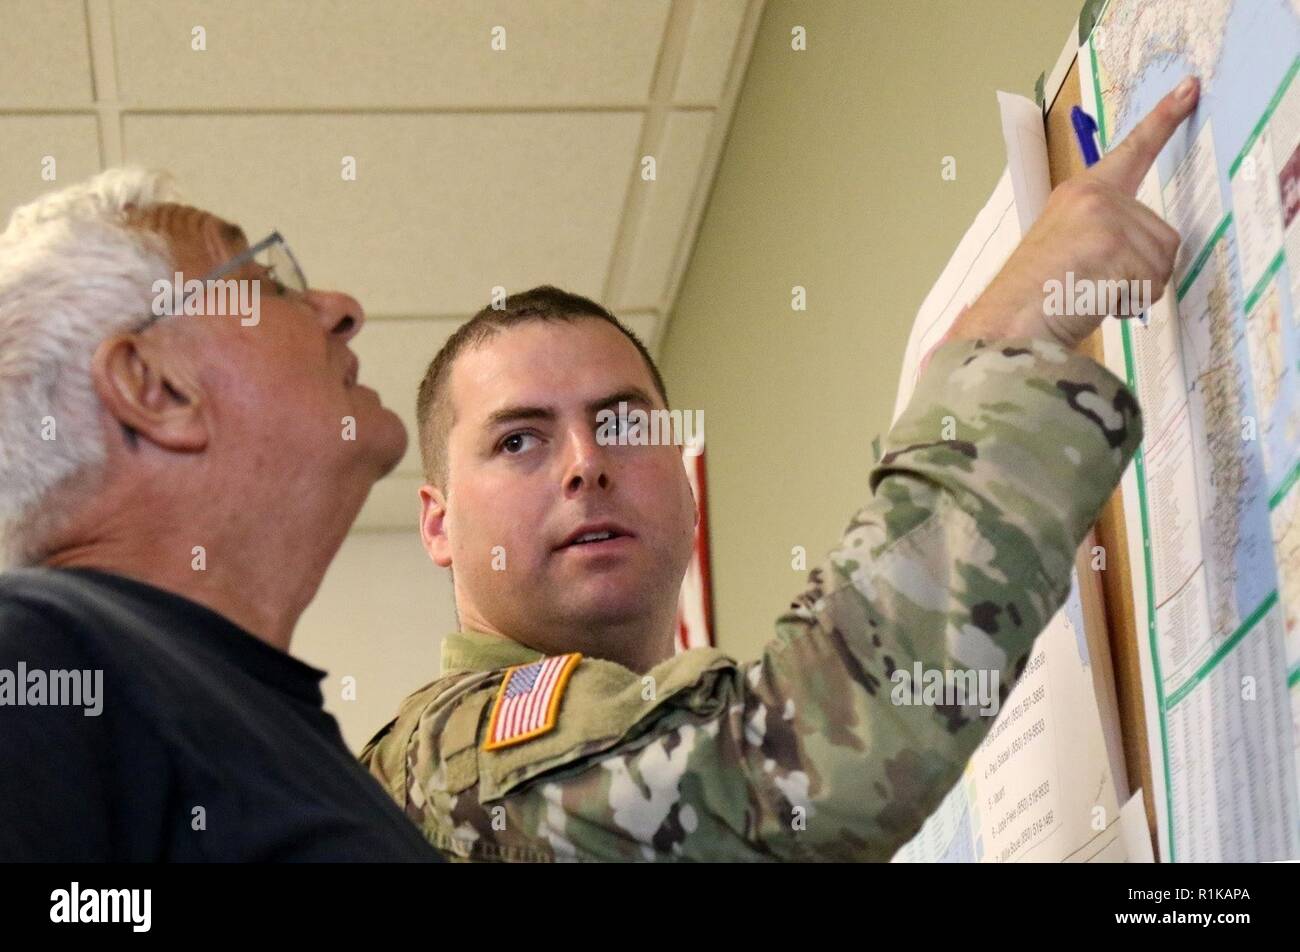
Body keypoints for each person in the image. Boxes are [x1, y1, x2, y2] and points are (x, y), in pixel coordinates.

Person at [361, 79, 1200, 861]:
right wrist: (997, 346)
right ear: (438, 523)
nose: (586, 465)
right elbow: (794, 772)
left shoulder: (660, 728)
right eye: (519, 441)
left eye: (621, 423)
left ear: (684, 479)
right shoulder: (451, 759)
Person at [0, 170, 440, 861]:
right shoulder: (37, 652)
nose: (341, 308)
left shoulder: (270, 727)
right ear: (157, 387)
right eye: (267, 283)